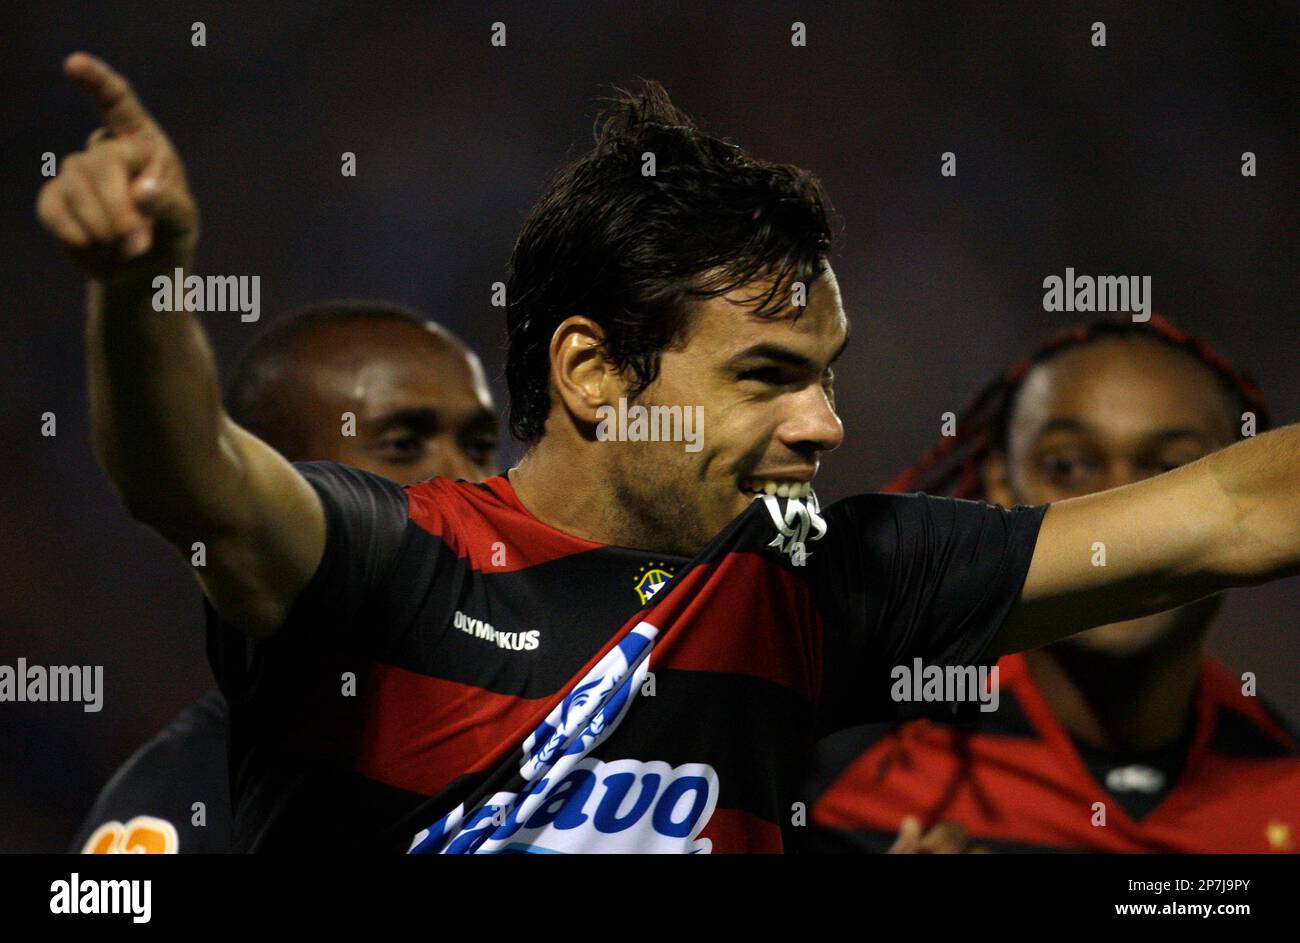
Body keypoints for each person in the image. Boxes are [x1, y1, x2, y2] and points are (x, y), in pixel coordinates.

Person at [38, 54, 1299, 853]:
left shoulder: (818, 584)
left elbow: (1233, 513)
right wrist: (140, 286)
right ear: (593, 373)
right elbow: (182, 473)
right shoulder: (386, 571)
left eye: (824, 377)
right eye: (765, 376)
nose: (824, 425)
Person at [801, 317, 1298, 853]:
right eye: (1068, 465)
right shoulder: (845, 772)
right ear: (997, 482)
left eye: (1173, 474)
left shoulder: (1285, 785)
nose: (1121, 507)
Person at [73, 301, 498, 853]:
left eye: (481, 446)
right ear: (271, 481)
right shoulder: (182, 803)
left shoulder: (577, 722)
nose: (468, 481)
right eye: (402, 446)